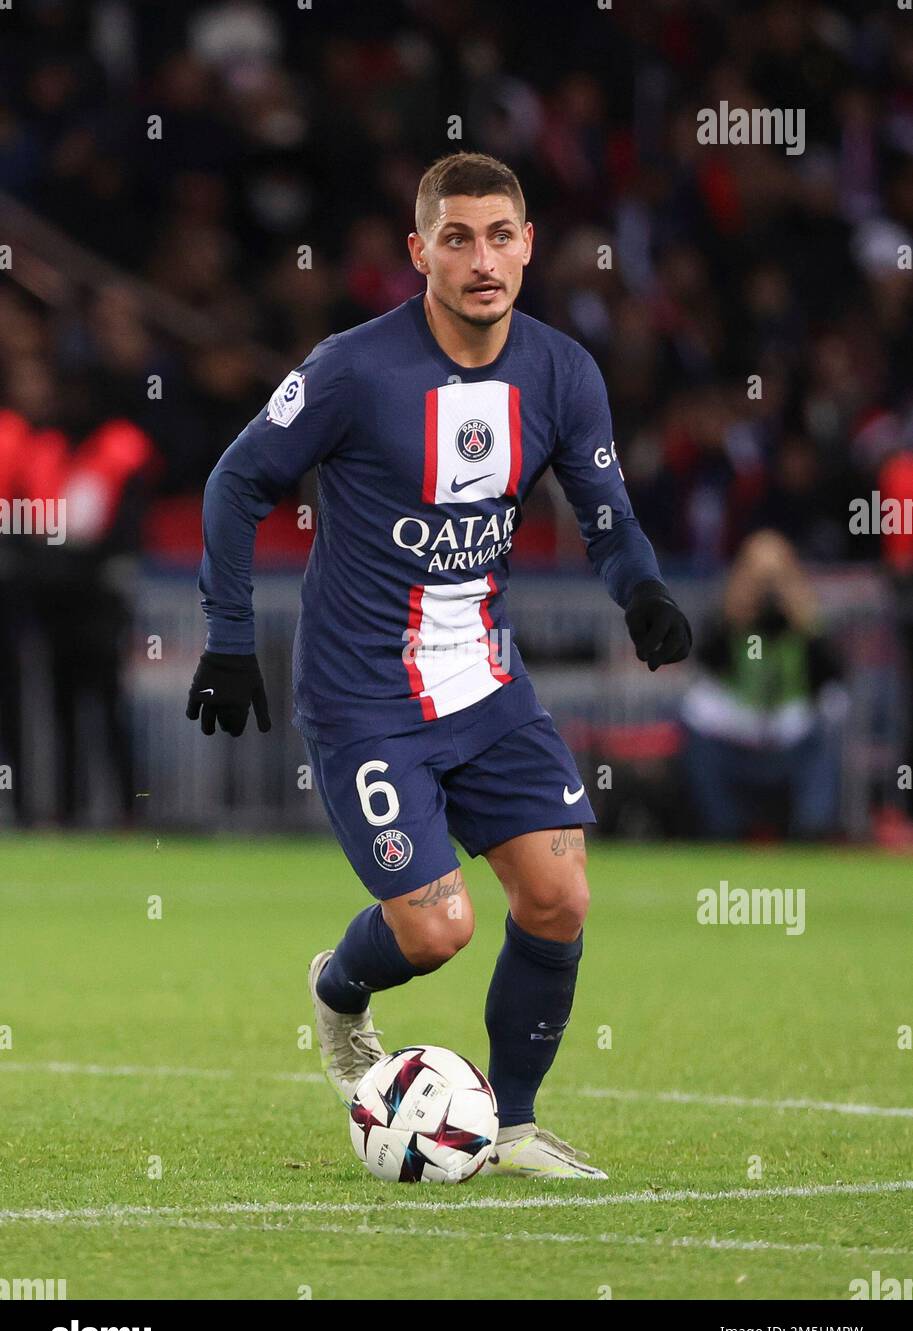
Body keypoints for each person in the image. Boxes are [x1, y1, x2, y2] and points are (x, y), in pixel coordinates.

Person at [187, 152, 691, 1178]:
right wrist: (230, 636)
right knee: (437, 928)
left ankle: (510, 1127)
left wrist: (640, 590)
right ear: (419, 253)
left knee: (558, 896)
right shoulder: (354, 369)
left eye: (500, 235)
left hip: (484, 681)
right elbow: (236, 481)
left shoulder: (559, 372)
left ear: (528, 246)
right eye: (456, 238)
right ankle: (340, 987)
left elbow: (605, 516)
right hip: (364, 692)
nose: (481, 258)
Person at [681, 531, 845, 839]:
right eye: (760, 579)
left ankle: (813, 829)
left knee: (828, 727)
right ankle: (721, 830)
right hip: (735, 742)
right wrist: (735, 616)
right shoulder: (724, 621)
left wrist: (803, 619)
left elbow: (834, 678)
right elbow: (703, 669)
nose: (767, 591)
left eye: (775, 578)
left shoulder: (807, 625)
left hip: (791, 743)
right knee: (694, 727)